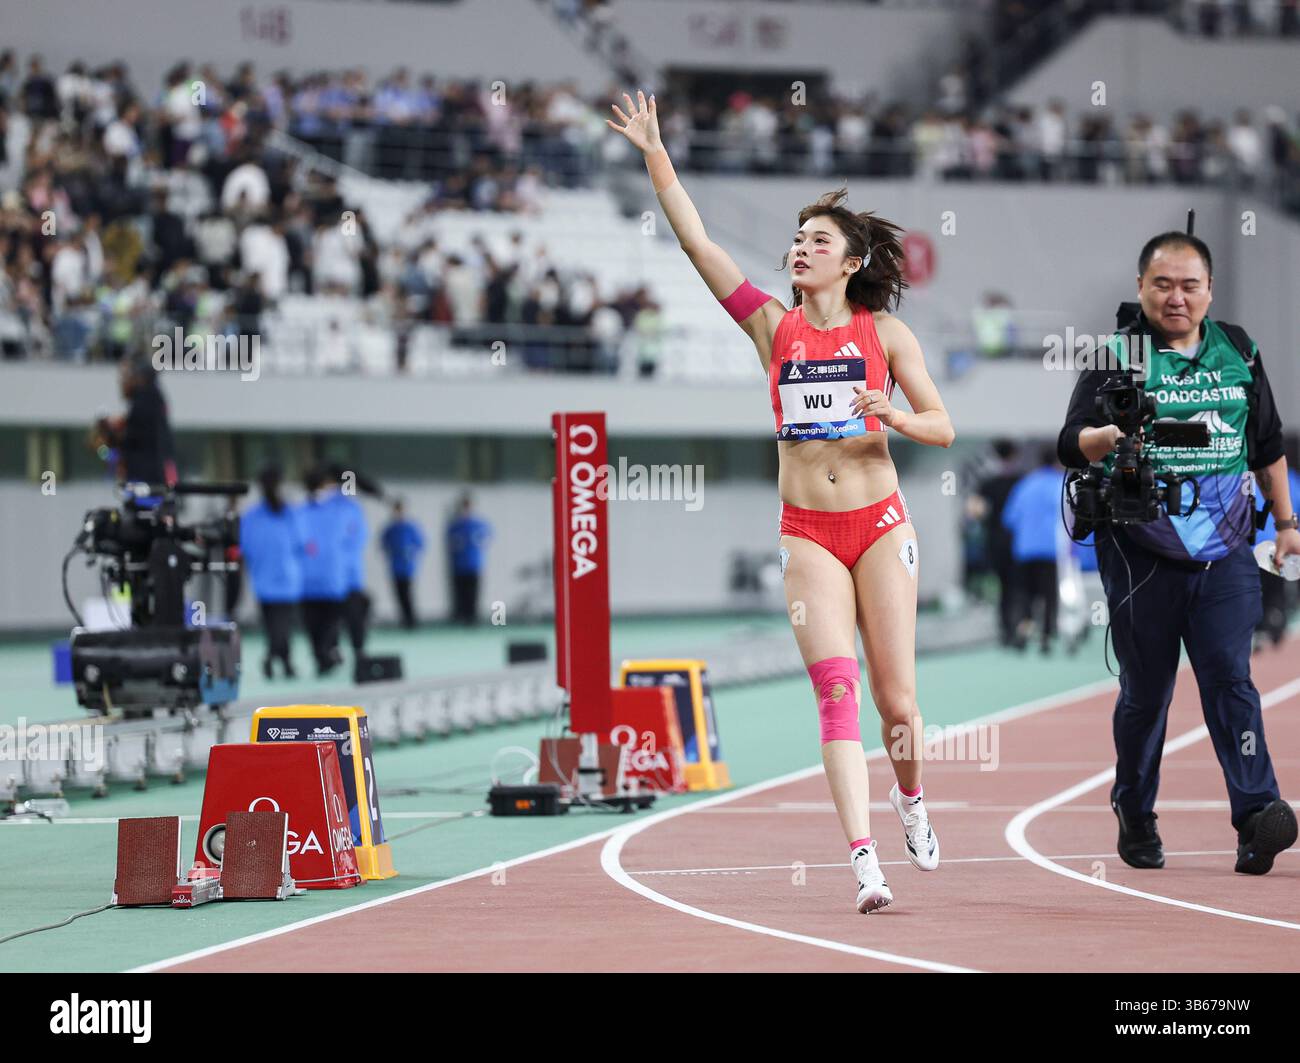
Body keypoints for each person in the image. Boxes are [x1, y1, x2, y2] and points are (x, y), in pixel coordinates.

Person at [609, 90, 955, 913]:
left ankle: (911, 798)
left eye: (818, 241)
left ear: (852, 262)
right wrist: (656, 151)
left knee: (895, 699)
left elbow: (943, 425)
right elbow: (695, 241)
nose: (799, 249)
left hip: (878, 525)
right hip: (806, 532)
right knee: (835, 690)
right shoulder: (772, 328)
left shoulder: (887, 336)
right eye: (796, 239)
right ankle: (865, 862)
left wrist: (895, 415)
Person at [1057, 230, 1298, 875]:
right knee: (1147, 692)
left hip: (1226, 550)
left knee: (1230, 676)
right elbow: (1067, 441)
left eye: (1190, 284)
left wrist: (1287, 523)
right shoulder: (1117, 355)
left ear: (1209, 291)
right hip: (1140, 551)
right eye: (1162, 283)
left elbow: (1268, 443)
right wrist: (1107, 435)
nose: (1176, 296)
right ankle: (1135, 810)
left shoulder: (1240, 349)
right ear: (1141, 287)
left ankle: (1256, 815)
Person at [239, 464, 303, 679]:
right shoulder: (281, 514)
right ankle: (278, 660)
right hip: (276, 579)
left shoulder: (258, 516)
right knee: (279, 626)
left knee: (278, 626)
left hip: (274, 580)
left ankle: (282, 661)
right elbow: (300, 543)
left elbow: (245, 548)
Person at [1001, 445, 1065, 654]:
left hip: (1025, 549)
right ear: (1057, 463)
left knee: (1026, 594)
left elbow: (1009, 518)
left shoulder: (1025, 484)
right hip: (1050, 549)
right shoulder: (1059, 484)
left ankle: (1024, 631)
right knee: (1049, 595)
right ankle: (1046, 636)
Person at [296, 465, 348, 676]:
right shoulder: (337, 508)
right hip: (330, 578)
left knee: (313, 625)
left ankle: (321, 656)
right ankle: (328, 653)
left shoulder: (299, 512)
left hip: (306, 580)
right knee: (330, 622)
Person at [974, 439, 1022, 646]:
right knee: (1018, 586)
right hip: (1019, 540)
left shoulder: (988, 483)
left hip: (996, 539)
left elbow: (975, 511)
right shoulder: (1021, 481)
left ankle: (1006, 630)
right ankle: (1020, 626)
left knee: (1003, 587)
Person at [446, 493, 492, 625]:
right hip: (459, 565)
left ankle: (472, 617)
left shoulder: (479, 524)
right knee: (460, 592)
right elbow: (451, 543)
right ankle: (461, 616)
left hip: (474, 564)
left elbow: (487, 538)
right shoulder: (455, 525)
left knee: (473, 593)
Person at [381, 500, 425, 629]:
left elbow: (420, 544)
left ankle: (412, 620)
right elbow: (384, 544)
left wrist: (410, 552)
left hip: (407, 566)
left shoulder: (411, 527)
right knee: (398, 594)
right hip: (395, 566)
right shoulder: (390, 528)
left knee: (407, 593)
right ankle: (404, 619)